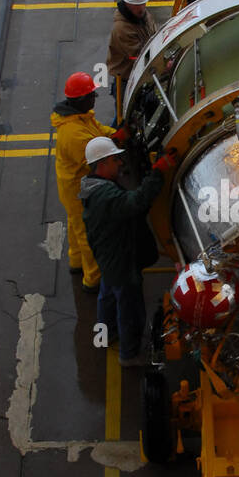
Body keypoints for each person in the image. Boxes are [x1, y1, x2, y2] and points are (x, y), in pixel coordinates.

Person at [81, 136, 176, 365]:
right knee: (130, 309)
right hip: (121, 261)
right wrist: (158, 173)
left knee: (107, 298)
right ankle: (129, 355)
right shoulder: (106, 195)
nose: (121, 164)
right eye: (115, 160)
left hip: (107, 257)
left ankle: (104, 338)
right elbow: (136, 202)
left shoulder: (92, 186)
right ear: (102, 164)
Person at [51, 72, 120, 291]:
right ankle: (93, 279)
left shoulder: (81, 118)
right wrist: (116, 147)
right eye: (91, 96)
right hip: (76, 189)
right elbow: (95, 158)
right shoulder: (72, 133)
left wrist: (116, 135)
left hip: (72, 186)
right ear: (80, 99)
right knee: (87, 233)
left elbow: (99, 132)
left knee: (75, 225)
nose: (94, 99)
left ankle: (76, 262)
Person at [106, 0, 157, 120]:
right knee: (124, 118)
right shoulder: (121, 29)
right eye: (137, 6)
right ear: (127, 4)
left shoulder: (143, 15)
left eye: (143, 4)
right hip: (126, 78)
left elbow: (154, 35)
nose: (141, 8)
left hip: (140, 73)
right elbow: (138, 56)